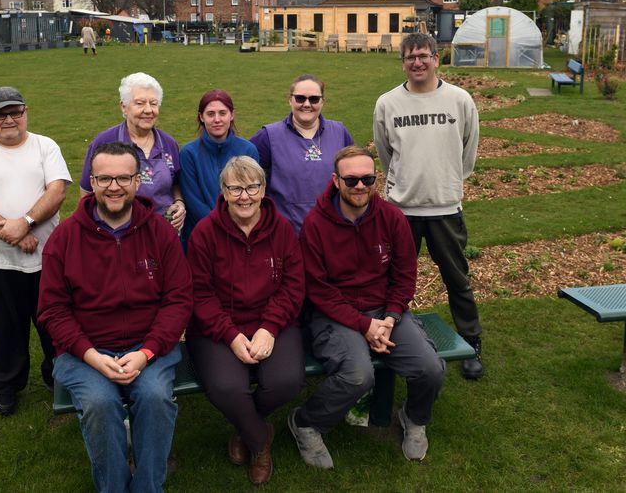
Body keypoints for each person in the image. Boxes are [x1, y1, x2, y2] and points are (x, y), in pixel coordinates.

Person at [38, 142, 193, 493]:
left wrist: (147, 352)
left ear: (138, 181)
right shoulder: (64, 239)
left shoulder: (160, 232)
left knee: (154, 397)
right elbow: (52, 310)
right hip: (85, 351)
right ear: (91, 182)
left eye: (123, 177)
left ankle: (148, 487)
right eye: (104, 178)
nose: (114, 186)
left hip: (149, 346)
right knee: (99, 403)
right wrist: (92, 356)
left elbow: (179, 300)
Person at [289, 146, 446, 467]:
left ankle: (414, 418)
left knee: (430, 368)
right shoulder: (316, 225)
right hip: (335, 315)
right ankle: (306, 422)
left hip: (385, 312)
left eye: (367, 179)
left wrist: (389, 317)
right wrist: (364, 326)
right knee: (358, 375)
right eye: (351, 180)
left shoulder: (392, 218)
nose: (359, 186)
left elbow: (404, 278)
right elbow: (318, 290)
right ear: (335, 181)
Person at [186, 156, 304, 485]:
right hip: (217, 327)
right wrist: (231, 335)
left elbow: (293, 286)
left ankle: (243, 426)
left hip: (273, 322)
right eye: (235, 188)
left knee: (286, 381)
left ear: (264, 190)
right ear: (223, 192)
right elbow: (200, 294)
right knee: (226, 387)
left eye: (252, 187)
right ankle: (258, 440)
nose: (245, 196)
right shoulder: (205, 234)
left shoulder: (281, 229)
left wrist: (269, 328)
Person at [372, 32, 484, 379]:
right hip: (402, 210)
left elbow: (468, 149)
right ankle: (386, 340)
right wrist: (404, 182)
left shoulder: (459, 100)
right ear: (403, 63)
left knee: (457, 279)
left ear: (437, 58)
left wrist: (448, 181)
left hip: (445, 209)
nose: (417, 62)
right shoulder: (388, 103)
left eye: (423, 55)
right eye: (409, 57)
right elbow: (385, 153)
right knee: (391, 280)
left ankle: (471, 342)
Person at [0, 86, 72, 416]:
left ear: (26, 112)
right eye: (0, 114)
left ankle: (59, 377)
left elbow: (57, 192)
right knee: (6, 328)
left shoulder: (44, 146)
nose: (9, 120)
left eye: (15, 112)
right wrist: (15, 231)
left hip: (48, 260)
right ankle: (7, 385)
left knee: (55, 325)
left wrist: (28, 221)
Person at [79, 72, 186, 233]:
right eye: (140, 103)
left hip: (163, 231)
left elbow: (175, 182)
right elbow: (87, 191)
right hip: (119, 233)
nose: (148, 110)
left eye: (154, 103)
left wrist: (179, 202)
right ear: (124, 106)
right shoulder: (104, 141)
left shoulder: (169, 143)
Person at [250, 74, 353, 235]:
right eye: (300, 98)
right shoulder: (268, 137)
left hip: (332, 233)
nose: (307, 104)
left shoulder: (340, 133)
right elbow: (244, 178)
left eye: (314, 99)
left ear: (323, 101)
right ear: (289, 100)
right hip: (285, 236)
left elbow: (356, 179)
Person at [179, 89, 259, 246]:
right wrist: (220, 229)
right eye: (210, 114)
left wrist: (234, 229)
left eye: (222, 113)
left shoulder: (248, 150)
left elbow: (252, 195)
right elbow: (193, 201)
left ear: (232, 115)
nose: (217, 119)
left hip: (239, 236)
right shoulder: (189, 153)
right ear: (201, 117)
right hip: (201, 238)